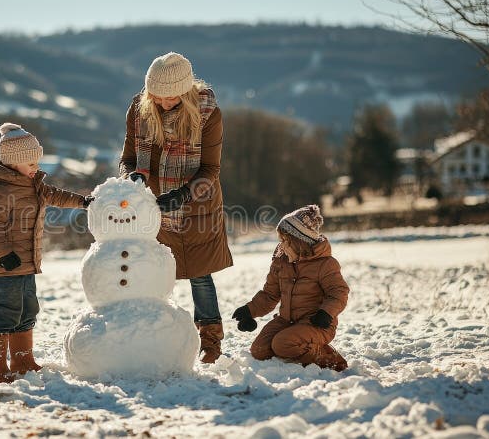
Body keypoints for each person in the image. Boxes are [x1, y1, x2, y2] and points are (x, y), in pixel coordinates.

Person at [119, 52, 233, 363]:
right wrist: (132, 176)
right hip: (153, 207)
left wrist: (183, 194)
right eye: (158, 97)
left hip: (196, 205)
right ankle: (158, 336)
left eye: (172, 98)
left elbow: (210, 169)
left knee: (199, 274)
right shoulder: (139, 110)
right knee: (154, 273)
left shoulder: (209, 114)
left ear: (186, 92)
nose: (164, 103)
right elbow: (128, 158)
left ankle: (210, 341)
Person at [0, 123, 92, 383]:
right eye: (30, 164)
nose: (36, 168)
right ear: (12, 163)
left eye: (36, 162)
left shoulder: (35, 185)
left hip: (28, 262)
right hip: (6, 265)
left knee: (28, 309)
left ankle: (22, 360)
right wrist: (5, 255)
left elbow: (57, 195)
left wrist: (82, 201)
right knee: (5, 311)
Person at [231, 205, 350, 371]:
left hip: (316, 323)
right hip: (286, 320)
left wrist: (326, 312)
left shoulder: (324, 264)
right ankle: (294, 350)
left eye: (286, 241)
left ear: (300, 242)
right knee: (259, 350)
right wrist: (250, 311)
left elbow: (339, 292)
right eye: (281, 241)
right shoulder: (281, 262)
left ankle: (329, 358)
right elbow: (270, 294)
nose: (282, 246)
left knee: (282, 344)